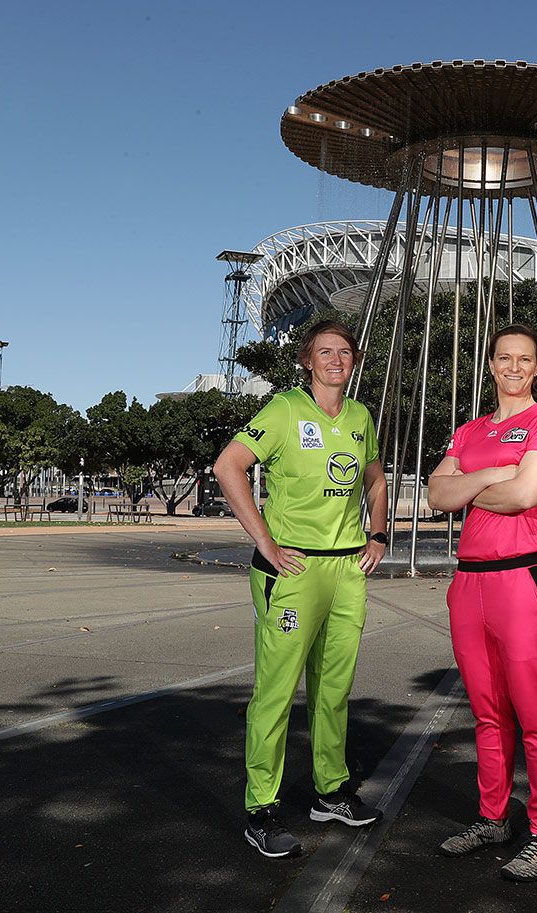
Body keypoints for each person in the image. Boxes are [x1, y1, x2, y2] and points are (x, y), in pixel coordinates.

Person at [213, 319, 389, 860]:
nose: (336, 360)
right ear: (307, 361)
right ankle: (260, 806)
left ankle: (330, 791)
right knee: (277, 691)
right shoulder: (285, 409)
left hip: (346, 571)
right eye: (325, 352)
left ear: (354, 361)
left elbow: (376, 480)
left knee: (333, 688)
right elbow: (228, 466)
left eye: (345, 352)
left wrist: (378, 534)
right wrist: (264, 540)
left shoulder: (359, 416)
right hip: (292, 571)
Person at [427, 324, 537, 883]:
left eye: (524, 359)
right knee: (487, 713)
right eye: (504, 358)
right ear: (490, 364)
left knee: (536, 711)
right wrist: (489, 473)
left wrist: (465, 484)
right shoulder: (469, 431)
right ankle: (492, 818)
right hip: (470, 583)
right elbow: (437, 494)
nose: (513, 367)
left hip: (521, 581)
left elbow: (525, 494)